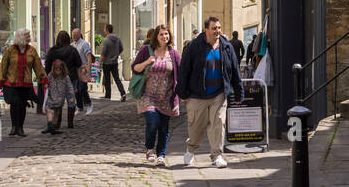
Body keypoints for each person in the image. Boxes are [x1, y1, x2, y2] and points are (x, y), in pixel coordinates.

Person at [176, 16, 244, 168]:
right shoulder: (194, 47)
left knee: (218, 124)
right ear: (206, 30)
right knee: (196, 129)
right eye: (214, 28)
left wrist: (239, 92)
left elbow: (234, 70)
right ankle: (191, 148)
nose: (217, 31)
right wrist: (182, 93)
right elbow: (184, 70)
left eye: (219, 28)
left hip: (218, 94)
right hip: (197, 94)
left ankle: (217, 155)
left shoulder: (226, 47)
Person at [131, 24, 181, 167]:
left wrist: (181, 95)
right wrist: (147, 61)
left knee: (164, 128)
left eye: (166, 34)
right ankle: (149, 149)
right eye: (161, 34)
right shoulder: (146, 51)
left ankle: (161, 155)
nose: (165, 37)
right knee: (153, 122)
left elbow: (181, 74)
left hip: (166, 96)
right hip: (148, 95)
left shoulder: (174, 54)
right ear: (156, 37)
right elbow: (135, 68)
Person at [0, 28, 45, 136]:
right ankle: (14, 127)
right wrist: (0, 80)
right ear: (21, 37)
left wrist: (43, 79)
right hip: (11, 82)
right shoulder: (10, 50)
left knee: (22, 105)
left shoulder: (32, 50)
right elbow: (3, 66)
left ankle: (20, 127)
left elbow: (38, 66)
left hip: (25, 83)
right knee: (14, 104)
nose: (29, 38)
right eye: (27, 36)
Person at [44, 30, 84, 128]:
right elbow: (79, 63)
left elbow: (47, 66)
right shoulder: (72, 50)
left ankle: (58, 122)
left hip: (56, 80)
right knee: (71, 99)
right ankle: (70, 123)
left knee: (58, 100)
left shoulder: (52, 51)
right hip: (71, 78)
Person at [40, 60, 75, 136]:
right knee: (48, 109)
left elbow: (70, 87)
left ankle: (53, 127)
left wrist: (71, 97)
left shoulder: (66, 77)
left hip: (60, 98)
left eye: (59, 69)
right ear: (53, 69)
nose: (58, 71)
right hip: (51, 97)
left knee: (57, 113)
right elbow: (46, 83)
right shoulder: (50, 75)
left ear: (63, 69)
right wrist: (45, 85)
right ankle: (50, 125)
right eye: (56, 69)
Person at [100, 23, 127, 101]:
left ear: (107, 30)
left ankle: (108, 95)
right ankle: (123, 93)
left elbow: (103, 53)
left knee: (107, 79)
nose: (104, 30)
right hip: (114, 62)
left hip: (107, 63)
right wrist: (116, 54)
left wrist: (99, 63)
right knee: (117, 78)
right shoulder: (117, 38)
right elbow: (121, 48)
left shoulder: (106, 40)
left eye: (104, 29)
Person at [71, 28, 94, 115]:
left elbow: (89, 58)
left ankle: (89, 104)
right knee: (76, 90)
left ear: (79, 34)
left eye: (75, 35)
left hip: (83, 69)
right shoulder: (72, 45)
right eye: (73, 35)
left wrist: (89, 71)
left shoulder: (84, 44)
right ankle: (80, 107)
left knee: (82, 88)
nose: (74, 36)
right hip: (75, 70)